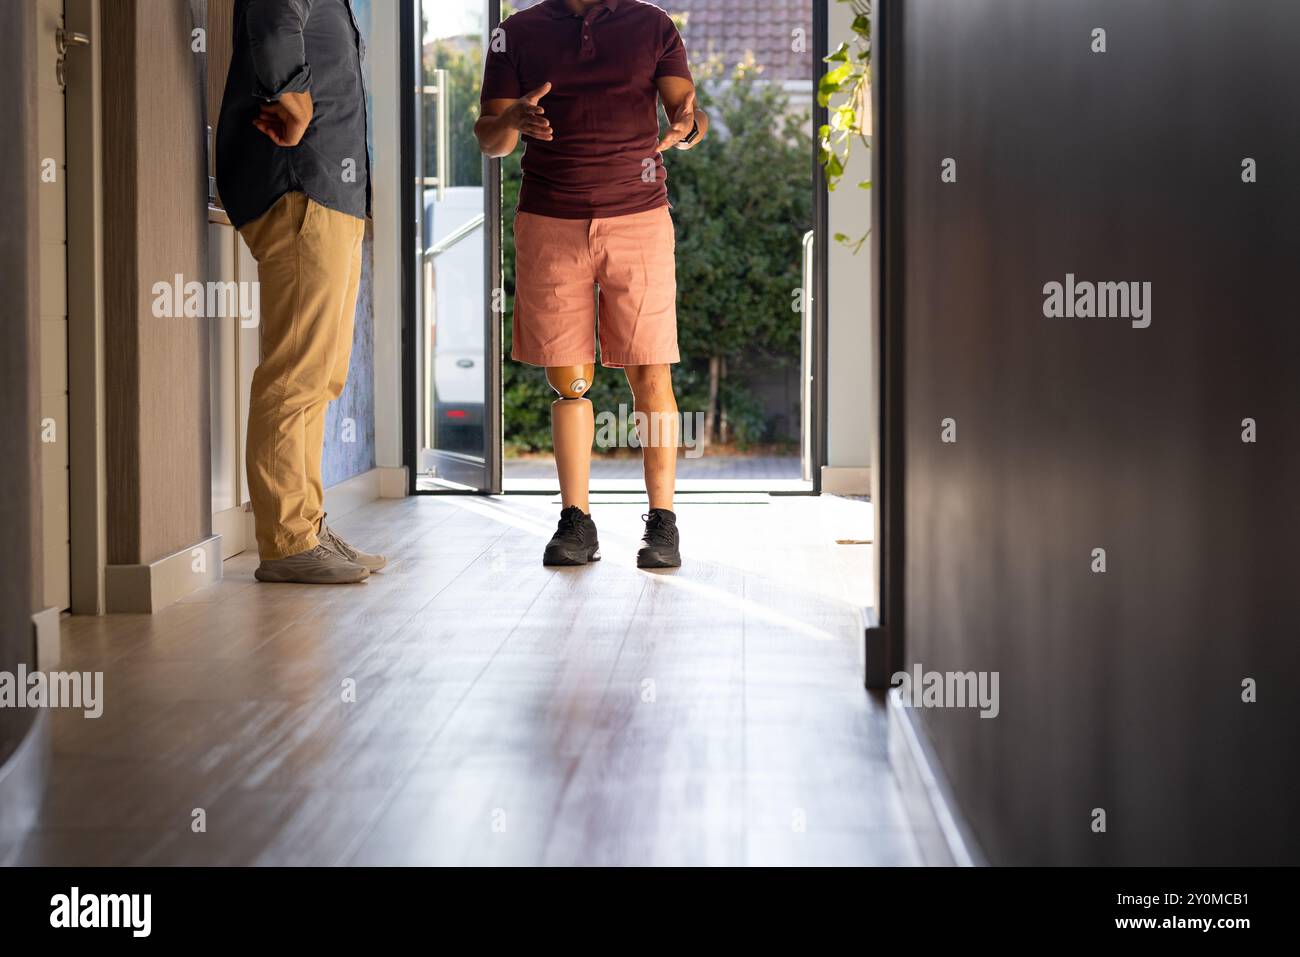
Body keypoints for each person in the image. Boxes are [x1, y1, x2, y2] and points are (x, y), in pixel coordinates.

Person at [476, 0, 708, 568]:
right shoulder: (514, 33)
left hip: (640, 219)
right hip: (550, 219)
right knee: (569, 382)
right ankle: (575, 522)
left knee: (651, 369)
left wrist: (687, 126)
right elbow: (491, 137)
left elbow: (688, 114)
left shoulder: (654, 24)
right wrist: (512, 122)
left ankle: (663, 523)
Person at [216, 0, 386, 584]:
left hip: (330, 193)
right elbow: (272, 23)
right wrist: (293, 97)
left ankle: (307, 527)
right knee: (296, 371)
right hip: (301, 186)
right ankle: (287, 541)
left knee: (321, 372)